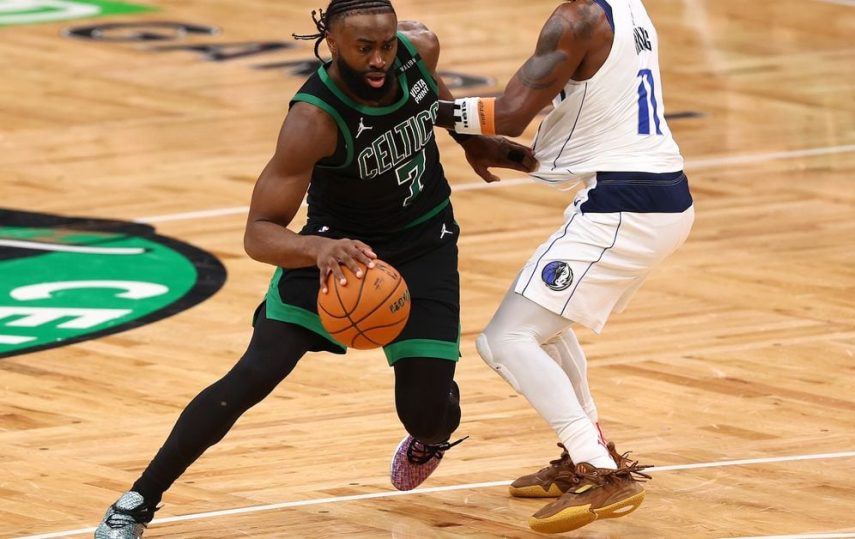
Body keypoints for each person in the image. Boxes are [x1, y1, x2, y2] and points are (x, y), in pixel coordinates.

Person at [94, 1, 536, 537]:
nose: (380, 59)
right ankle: (139, 499)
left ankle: (430, 433)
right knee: (253, 376)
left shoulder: (417, 49)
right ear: (331, 42)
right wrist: (317, 251)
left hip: (424, 243)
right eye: (364, 48)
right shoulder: (313, 119)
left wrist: (474, 141)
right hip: (335, 252)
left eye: (386, 45)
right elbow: (259, 233)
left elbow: (428, 99)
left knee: (426, 414)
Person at [438, 0, 694, 533]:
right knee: (543, 327)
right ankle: (591, 452)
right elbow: (588, 108)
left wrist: (419, 108)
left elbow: (510, 114)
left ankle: (598, 470)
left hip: (624, 206)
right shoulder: (628, 8)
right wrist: (502, 152)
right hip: (653, 194)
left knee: (504, 341)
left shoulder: (576, 19)